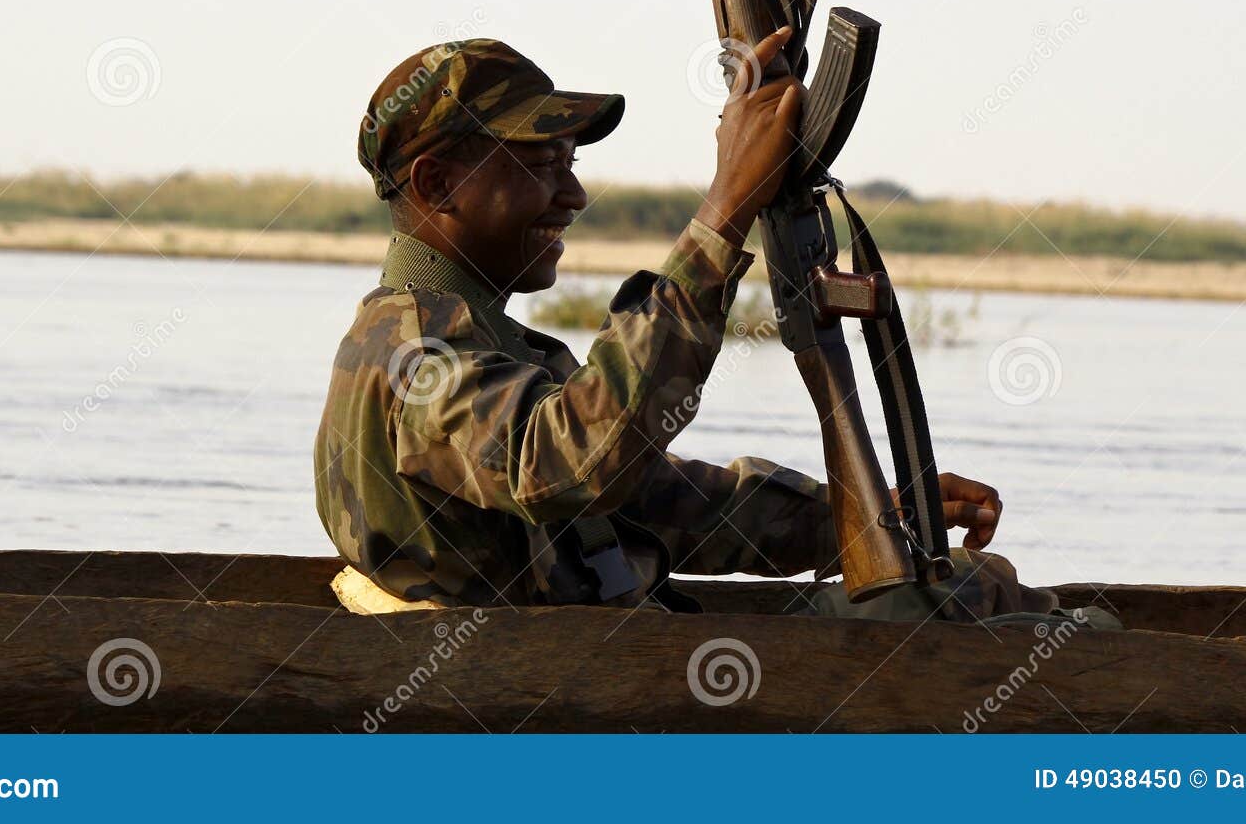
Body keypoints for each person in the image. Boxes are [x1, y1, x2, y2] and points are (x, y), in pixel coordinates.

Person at [315, 31, 1107, 626]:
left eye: (570, 163)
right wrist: (722, 215)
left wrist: (877, 516)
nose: (572, 195)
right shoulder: (418, 354)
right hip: (582, 692)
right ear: (436, 183)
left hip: (618, 666)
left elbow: (662, 502)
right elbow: (569, 460)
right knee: (992, 609)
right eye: (542, 165)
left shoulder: (467, 339)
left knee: (969, 584)